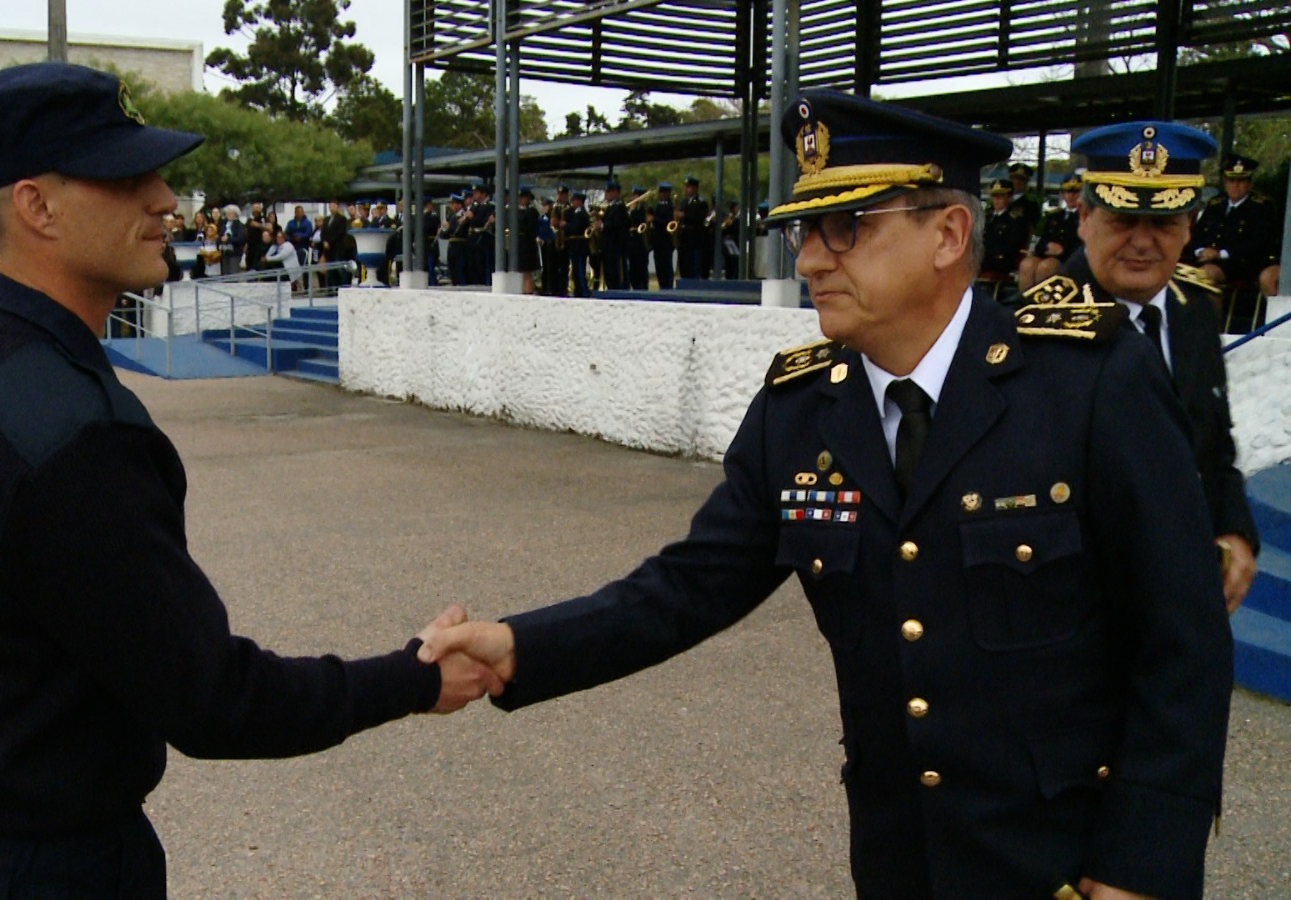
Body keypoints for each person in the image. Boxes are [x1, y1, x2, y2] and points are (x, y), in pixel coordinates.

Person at [421, 90, 1233, 899]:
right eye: (806, 231)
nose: (810, 259)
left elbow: (1181, 640)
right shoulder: (801, 408)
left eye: (847, 228)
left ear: (948, 233)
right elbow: (686, 587)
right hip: (898, 862)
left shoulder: (1089, 381)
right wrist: (520, 647)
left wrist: (1140, 868)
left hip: (1065, 863)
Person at [0, 62, 500, 896]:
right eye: (129, 176)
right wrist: (414, 678)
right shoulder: (72, 427)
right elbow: (209, 697)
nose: (166, 199)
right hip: (48, 867)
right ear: (37, 206)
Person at [1025, 120, 1260, 613]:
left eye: (1163, 223)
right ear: (1084, 218)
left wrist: (1235, 529)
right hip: (1081, 605)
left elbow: (1213, 444)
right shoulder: (1035, 329)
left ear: (1189, 225)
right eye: (1122, 220)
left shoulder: (1195, 308)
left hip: (1189, 594)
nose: (1143, 241)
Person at [1187, 153, 1280, 298]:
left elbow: (1258, 242)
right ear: (1225, 183)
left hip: (1240, 263)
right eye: (1231, 180)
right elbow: (1196, 234)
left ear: (1250, 184)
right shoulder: (1215, 204)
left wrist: (1220, 253)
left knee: (1206, 275)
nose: (1235, 185)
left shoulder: (1261, 206)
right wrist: (1200, 251)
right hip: (1205, 259)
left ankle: (1209, 320)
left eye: (1241, 181)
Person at [1018, 175, 1083, 290]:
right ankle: (1024, 304)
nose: (1071, 196)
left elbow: (1084, 243)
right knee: (1027, 264)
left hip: (1069, 258)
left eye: (1076, 192)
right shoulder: (1054, 216)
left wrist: (1062, 250)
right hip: (1047, 256)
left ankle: (1044, 304)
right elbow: (1041, 241)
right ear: (1063, 194)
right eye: (1067, 192)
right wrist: (1046, 246)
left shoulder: (1085, 216)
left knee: (1046, 267)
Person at [979, 179, 1032, 304]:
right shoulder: (987, 217)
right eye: (994, 195)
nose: (996, 199)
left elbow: (1011, 247)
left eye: (1001, 196)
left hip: (1001, 261)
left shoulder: (1015, 220)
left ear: (1009, 197)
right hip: (983, 258)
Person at [677, 175, 711, 280]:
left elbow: (699, 218)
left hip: (694, 237)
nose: (686, 189)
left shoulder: (701, 202)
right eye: (686, 187)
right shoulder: (684, 202)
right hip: (684, 237)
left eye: (689, 187)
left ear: (695, 188)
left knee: (693, 265)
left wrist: (684, 215)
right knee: (684, 265)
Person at [563, 191, 590, 297]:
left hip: (579, 246)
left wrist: (565, 225)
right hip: (574, 246)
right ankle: (578, 290)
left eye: (574, 200)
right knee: (575, 270)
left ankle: (583, 291)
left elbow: (576, 228)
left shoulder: (581, 214)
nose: (572, 203)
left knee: (579, 270)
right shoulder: (576, 213)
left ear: (579, 201)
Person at [651, 182, 676, 290]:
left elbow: (667, 221)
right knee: (659, 266)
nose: (660, 194)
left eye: (662, 192)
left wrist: (654, 219)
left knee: (666, 266)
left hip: (665, 241)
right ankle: (662, 285)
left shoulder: (670, 206)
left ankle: (667, 287)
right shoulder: (658, 206)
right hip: (657, 241)